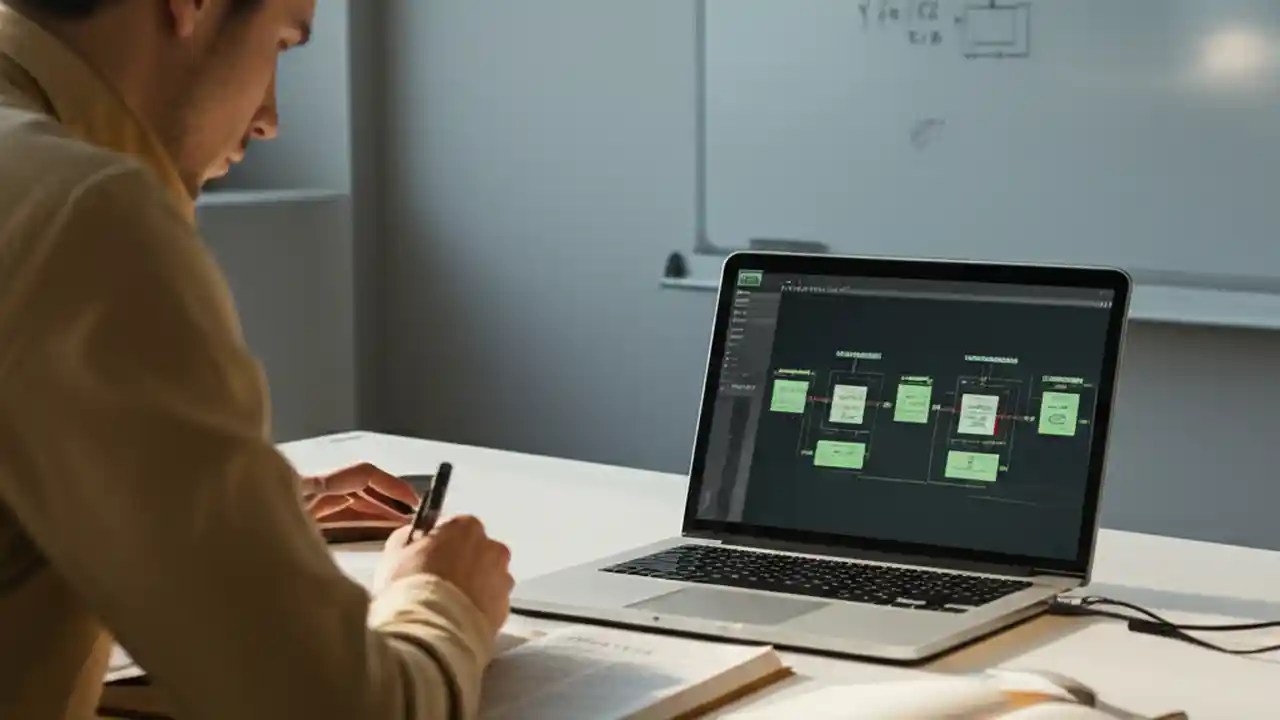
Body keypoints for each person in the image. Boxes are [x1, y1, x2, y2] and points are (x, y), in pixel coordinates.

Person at [0, 0, 514, 717]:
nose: (270, 118)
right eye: (281, 43)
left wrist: (212, 517)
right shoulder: (83, 212)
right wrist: (444, 601)